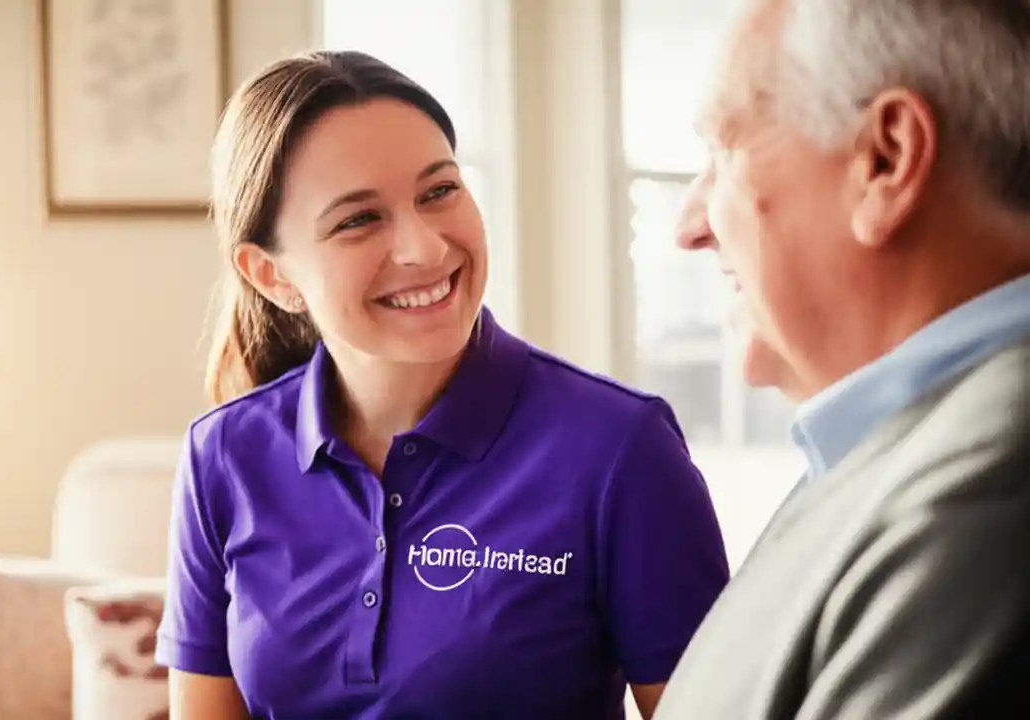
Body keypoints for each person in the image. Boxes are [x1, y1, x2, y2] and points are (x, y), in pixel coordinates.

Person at [153, 50, 729, 720]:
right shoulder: (223, 455)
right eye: (358, 220)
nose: (425, 248)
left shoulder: (620, 450)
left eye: (439, 191)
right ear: (272, 276)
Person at [656, 0, 1030, 717]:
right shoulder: (907, 451)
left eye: (725, 151)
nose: (690, 226)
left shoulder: (980, 495)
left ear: (886, 160)